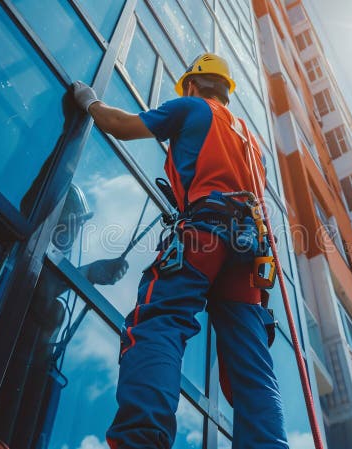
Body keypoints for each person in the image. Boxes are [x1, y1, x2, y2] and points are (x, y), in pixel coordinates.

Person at [72, 53, 289, 449]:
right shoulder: (251, 141)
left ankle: (141, 440)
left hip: (205, 231)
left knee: (159, 321)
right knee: (252, 367)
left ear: (192, 84)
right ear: (226, 89)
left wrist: (89, 100)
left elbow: (118, 125)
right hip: (250, 250)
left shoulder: (190, 107)